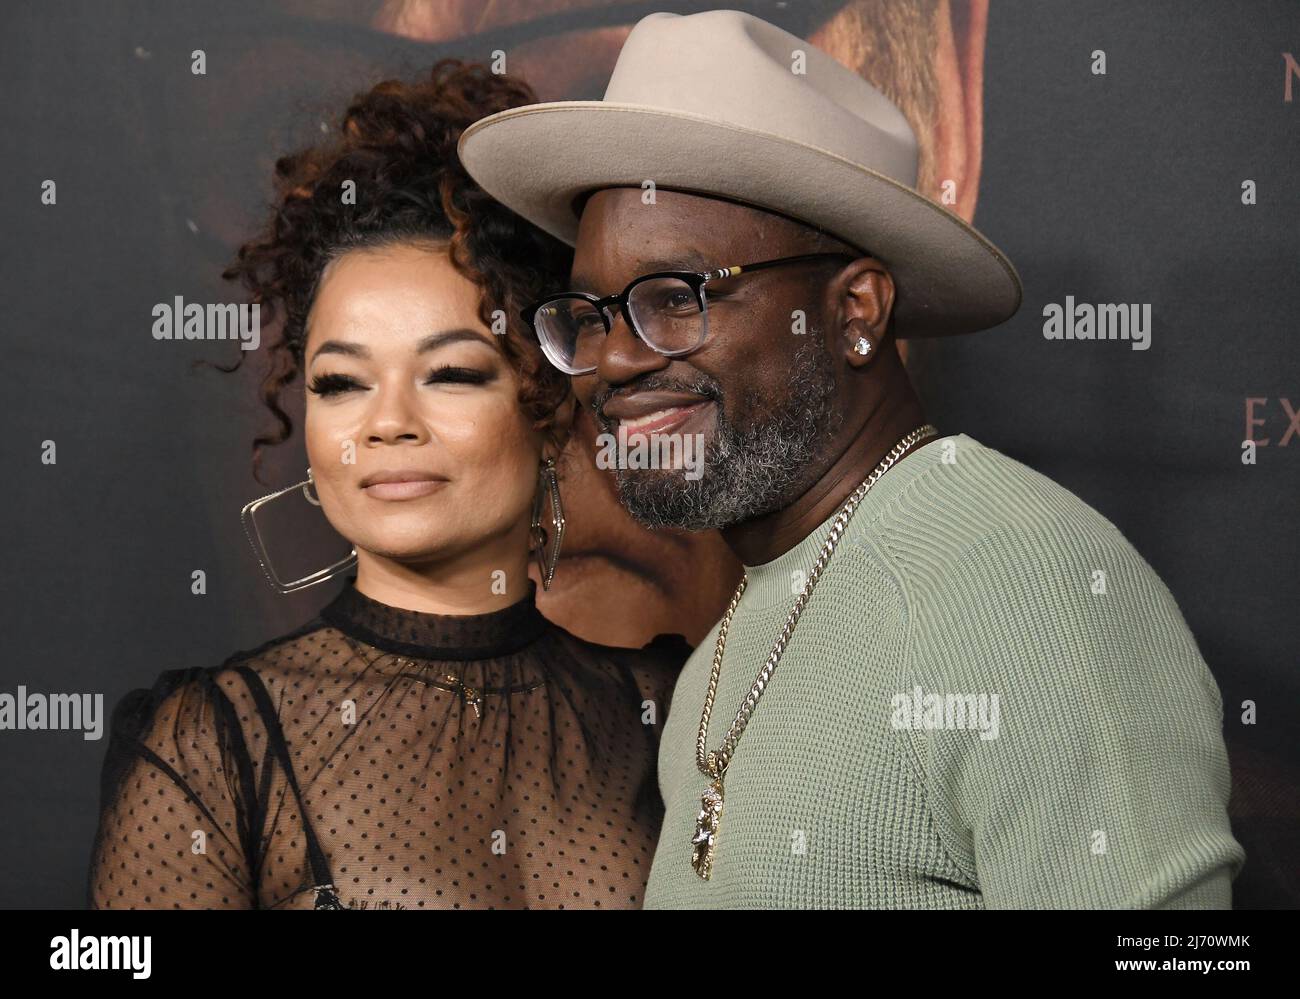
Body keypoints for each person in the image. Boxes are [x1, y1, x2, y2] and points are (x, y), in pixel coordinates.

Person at [459, 9, 1246, 907]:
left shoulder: (1028, 583)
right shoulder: (727, 650)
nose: (620, 359)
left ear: (857, 312)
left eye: (675, 297)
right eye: (593, 315)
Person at [87, 60, 687, 910]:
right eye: (341, 383)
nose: (386, 422)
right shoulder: (214, 748)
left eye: (449, 374)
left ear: (548, 403)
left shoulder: (669, 712)